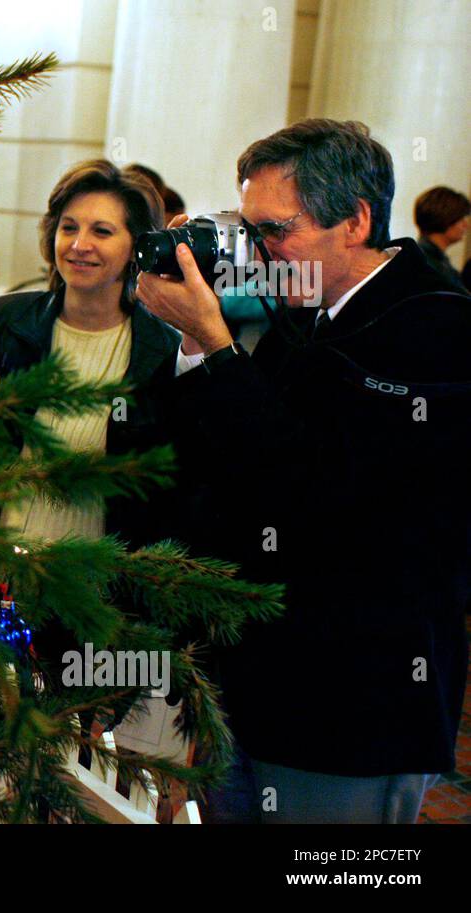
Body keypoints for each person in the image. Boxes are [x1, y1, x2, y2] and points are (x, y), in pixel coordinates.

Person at [136, 119, 471, 823]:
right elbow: (220, 464)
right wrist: (198, 344)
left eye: (275, 231)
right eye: (246, 229)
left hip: (355, 707)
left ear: (353, 221)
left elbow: (318, 492)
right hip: (256, 689)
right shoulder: (308, 317)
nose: (257, 253)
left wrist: (218, 343)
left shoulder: (436, 327)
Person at [0, 160, 179, 548]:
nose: (78, 244)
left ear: (137, 246)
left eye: (101, 231)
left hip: (97, 581)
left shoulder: (163, 351)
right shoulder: (6, 320)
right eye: (69, 227)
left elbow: (164, 495)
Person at [413, 185, 469, 291]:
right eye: (461, 219)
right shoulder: (428, 264)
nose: (466, 225)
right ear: (446, 218)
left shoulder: (433, 258)